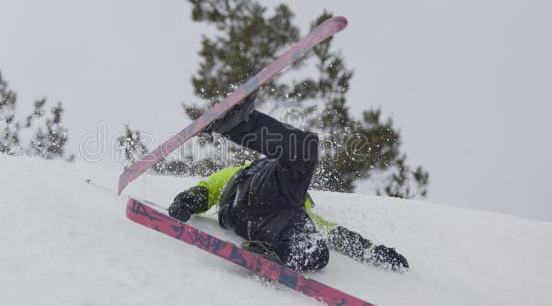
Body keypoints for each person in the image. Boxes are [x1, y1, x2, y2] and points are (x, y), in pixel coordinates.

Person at [167, 94, 409, 272]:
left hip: (265, 228)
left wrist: (374, 252)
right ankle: (240, 125)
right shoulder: (249, 173)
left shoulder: (301, 209)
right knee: (305, 149)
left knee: (318, 252)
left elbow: (335, 234)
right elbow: (211, 188)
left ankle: (270, 255)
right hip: (245, 202)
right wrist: (188, 201)